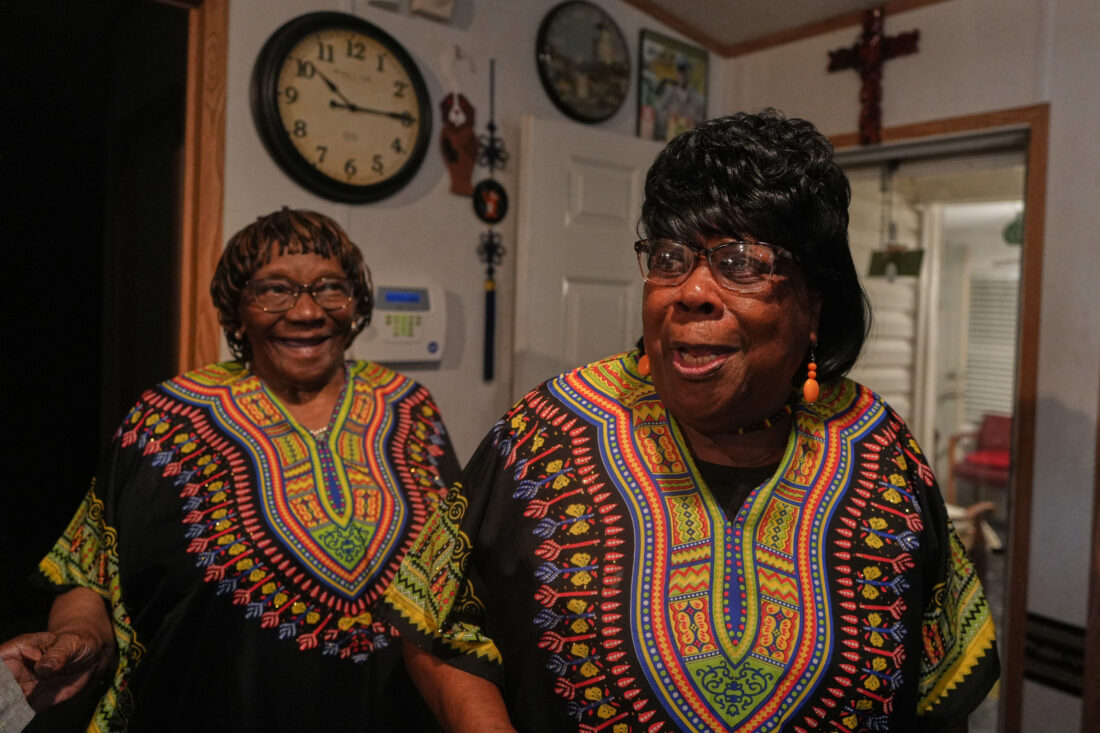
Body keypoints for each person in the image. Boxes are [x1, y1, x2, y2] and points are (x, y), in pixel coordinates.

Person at [383, 110, 999, 732]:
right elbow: (437, 618)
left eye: (740, 261)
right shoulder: (542, 434)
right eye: (671, 256)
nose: (692, 290)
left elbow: (940, 686)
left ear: (814, 304)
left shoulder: (881, 451)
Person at [4, 208, 460, 731]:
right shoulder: (166, 419)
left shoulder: (409, 406)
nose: (308, 312)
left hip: (393, 712)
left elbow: (455, 568)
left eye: (330, 288)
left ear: (354, 303)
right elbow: (90, 570)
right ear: (236, 310)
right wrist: (81, 633)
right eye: (275, 290)